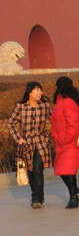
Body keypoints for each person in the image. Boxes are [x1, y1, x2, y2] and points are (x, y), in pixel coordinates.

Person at [8, 81, 53, 209]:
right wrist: (19, 138)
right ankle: (38, 194)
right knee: (31, 170)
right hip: (26, 144)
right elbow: (11, 123)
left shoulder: (45, 106)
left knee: (38, 169)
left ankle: (37, 198)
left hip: (41, 142)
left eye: (40, 90)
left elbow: (54, 120)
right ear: (30, 92)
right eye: (37, 90)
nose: (39, 93)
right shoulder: (20, 107)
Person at [51, 76, 79, 209]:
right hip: (62, 143)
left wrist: (66, 139)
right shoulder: (60, 103)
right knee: (62, 170)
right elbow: (54, 124)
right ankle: (76, 192)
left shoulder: (67, 102)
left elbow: (73, 124)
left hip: (70, 143)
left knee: (68, 170)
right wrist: (56, 137)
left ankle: (74, 197)